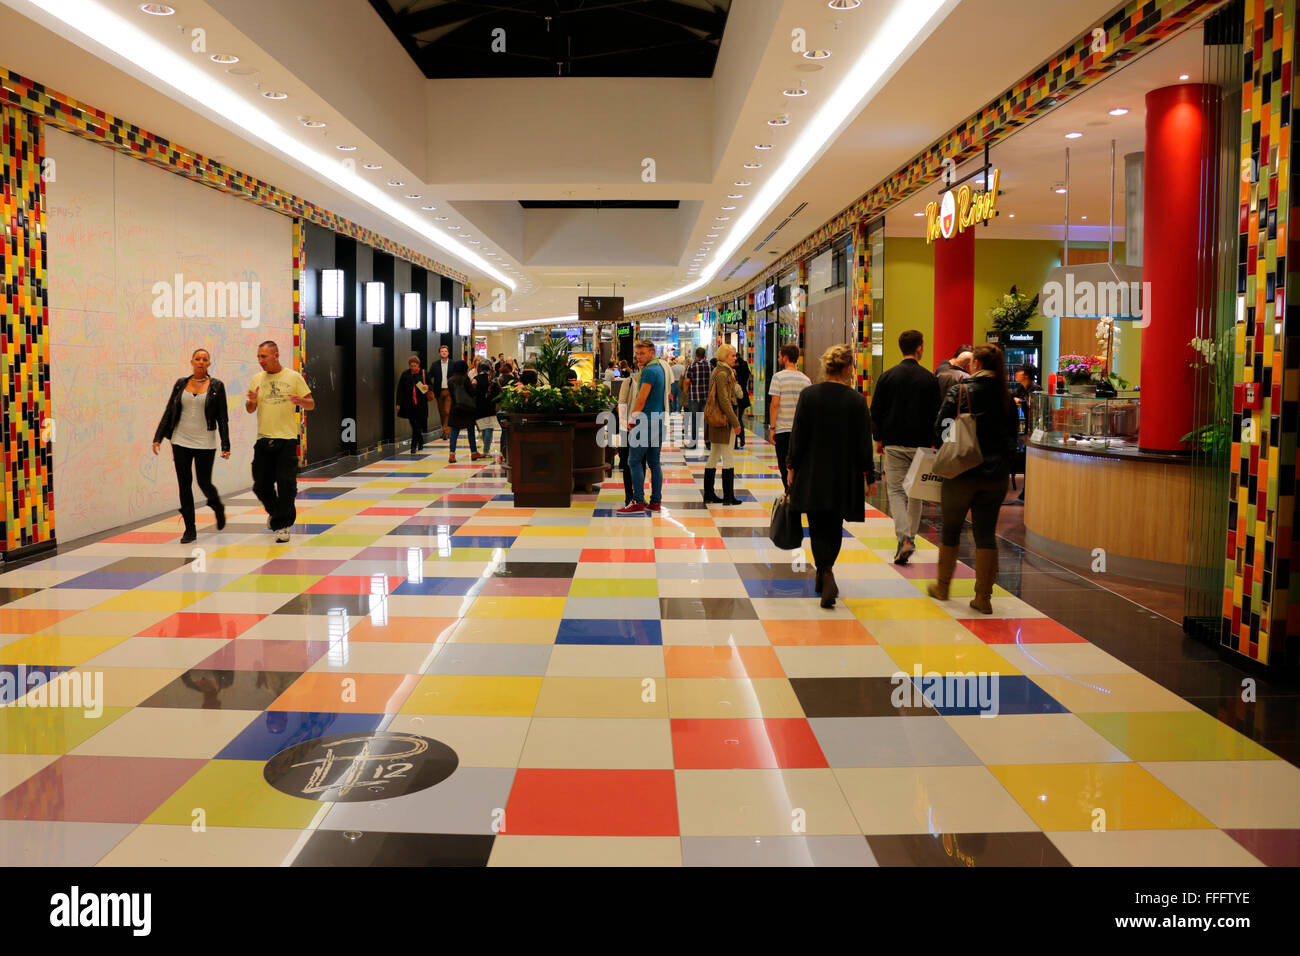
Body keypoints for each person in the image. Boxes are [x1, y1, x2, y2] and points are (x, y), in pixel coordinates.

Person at [928, 343, 1021, 614]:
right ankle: (983, 597)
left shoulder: (962, 391)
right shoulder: (1007, 396)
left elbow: (940, 428)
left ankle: (943, 587)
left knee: (951, 529)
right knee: (985, 534)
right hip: (996, 476)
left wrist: (955, 443)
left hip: (962, 473)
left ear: (977, 364)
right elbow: (1013, 437)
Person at [787, 345, 878, 608]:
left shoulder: (809, 395)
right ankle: (826, 571)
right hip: (843, 474)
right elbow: (864, 442)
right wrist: (869, 475)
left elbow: (798, 435)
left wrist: (791, 466)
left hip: (813, 471)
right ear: (848, 368)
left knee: (816, 525)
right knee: (834, 524)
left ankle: (823, 571)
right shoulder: (856, 400)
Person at [871, 330, 942, 565]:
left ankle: (903, 539)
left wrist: (878, 437)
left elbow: (877, 410)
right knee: (916, 493)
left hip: (893, 442)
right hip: (922, 444)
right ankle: (910, 536)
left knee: (896, 491)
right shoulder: (929, 378)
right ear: (919, 348)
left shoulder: (888, 376)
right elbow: (937, 413)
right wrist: (936, 442)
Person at [152, 348, 230, 543]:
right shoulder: (181, 384)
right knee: (184, 484)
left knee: (204, 482)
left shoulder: (217, 386)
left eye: (205, 359)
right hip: (180, 440)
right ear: (192, 362)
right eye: (198, 359)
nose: (201, 362)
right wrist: (158, 437)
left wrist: (226, 445)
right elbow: (170, 410)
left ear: (209, 363)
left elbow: (222, 418)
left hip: (205, 442)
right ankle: (190, 529)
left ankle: (217, 506)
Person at [245, 340, 314, 542]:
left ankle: (283, 525)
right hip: (264, 439)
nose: (260, 361)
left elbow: (311, 403)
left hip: (287, 440)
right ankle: (277, 514)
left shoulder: (293, 377)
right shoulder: (257, 378)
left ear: (276, 355)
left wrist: (301, 401)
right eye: (258, 356)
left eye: (263, 356)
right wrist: (251, 401)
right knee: (260, 485)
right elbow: (250, 409)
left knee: (286, 484)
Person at [617, 340, 666, 514]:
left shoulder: (649, 372)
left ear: (652, 353)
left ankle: (637, 500)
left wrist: (632, 418)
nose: (638, 357)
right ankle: (655, 502)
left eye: (642, 353)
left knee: (634, 461)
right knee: (654, 462)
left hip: (645, 420)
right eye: (637, 354)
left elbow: (641, 398)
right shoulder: (659, 368)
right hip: (658, 419)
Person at [701, 343, 743, 505]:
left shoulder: (719, 371)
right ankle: (728, 496)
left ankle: (710, 494)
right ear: (725, 356)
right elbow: (724, 400)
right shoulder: (723, 374)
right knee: (727, 456)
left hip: (717, 419)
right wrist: (735, 421)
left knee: (715, 454)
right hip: (724, 419)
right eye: (732, 355)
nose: (735, 358)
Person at [766, 344, 810, 492]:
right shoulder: (806, 380)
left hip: (783, 430)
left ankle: (789, 493)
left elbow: (775, 404)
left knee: (784, 465)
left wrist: (772, 428)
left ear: (785, 358)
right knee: (798, 465)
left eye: (779, 356)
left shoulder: (778, 378)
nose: (778, 358)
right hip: (801, 431)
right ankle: (798, 493)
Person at [445, 359, 481, 462]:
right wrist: (474, 384)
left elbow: (452, 395)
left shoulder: (450, 380)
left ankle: (452, 455)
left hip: (455, 408)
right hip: (467, 409)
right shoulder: (465, 379)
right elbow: (472, 392)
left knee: (454, 432)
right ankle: (474, 453)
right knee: (470, 431)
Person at [395, 354, 431, 454]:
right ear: (409, 365)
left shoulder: (423, 373)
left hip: (421, 404)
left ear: (418, 365)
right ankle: (420, 441)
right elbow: (400, 389)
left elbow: (430, 385)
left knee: (417, 425)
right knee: (414, 425)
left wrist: (427, 386)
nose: (413, 368)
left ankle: (413, 446)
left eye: (415, 366)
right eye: (411, 366)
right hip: (409, 404)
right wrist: (398, 403)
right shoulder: (405, 374)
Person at [473, 360, 502, 457]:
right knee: (489, 428)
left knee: (483, 427)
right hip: (490, 406)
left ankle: (485, 450)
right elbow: (497, 395)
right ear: (490, 369)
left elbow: (472, 392)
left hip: (479, 406)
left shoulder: (475, 378)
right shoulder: (493, 379)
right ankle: (486, 450)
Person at [684, 347, 711, 449]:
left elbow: (687, 381)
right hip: (706, 397)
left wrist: (686, 391)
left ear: (696, 355)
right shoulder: (710, 365)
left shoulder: (692, 366)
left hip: (694, 397)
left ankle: (694, 442)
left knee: (694, 419)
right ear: (705, 355)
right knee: (707, 420)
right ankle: (708, 441)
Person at [429, 344, 452, 434]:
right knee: (442, 412)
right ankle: (444, 428)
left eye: (445, 351)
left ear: (448, 353)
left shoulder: (452, 364)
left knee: (447, 411)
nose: (444, 353)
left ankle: (446, 430)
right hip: (439, 391)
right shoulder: (435, 365)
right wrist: (430, 387)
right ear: (439, 353)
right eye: (442, 351)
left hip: (449, 391)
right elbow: (429, 376)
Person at [733, 356, 753, 449]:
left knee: (737, 419)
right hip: (744, 396)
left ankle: (738, 439)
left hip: (738, 396)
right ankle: (742, 440)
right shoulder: (745, 369)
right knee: (739, 418)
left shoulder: (735, 369)